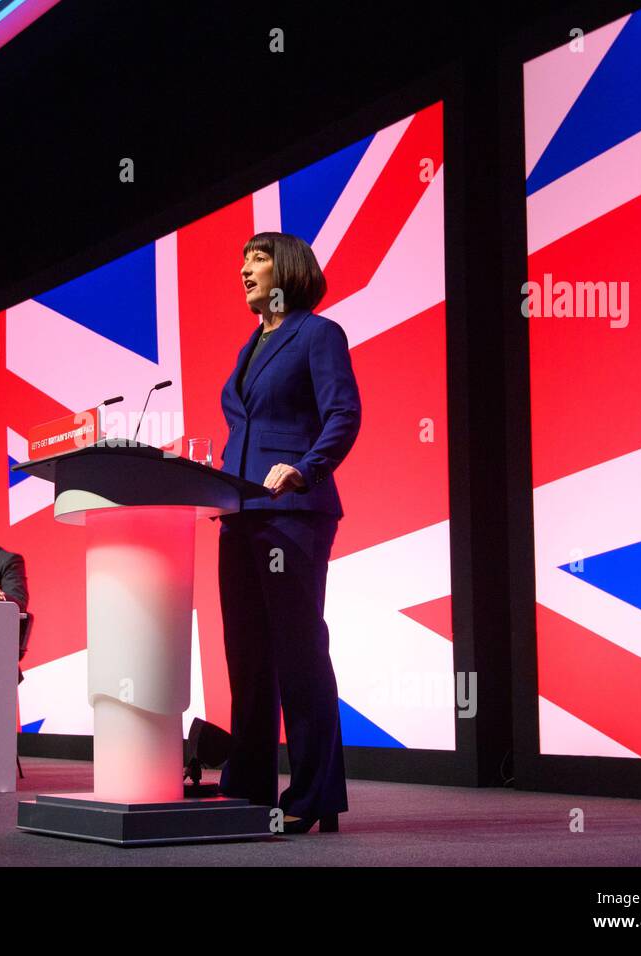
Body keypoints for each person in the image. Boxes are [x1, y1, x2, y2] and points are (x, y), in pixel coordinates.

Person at [217, 231, 362, 834]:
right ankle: (250, 786)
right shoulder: (251, 345)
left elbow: (343, 413)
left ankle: (314, 793)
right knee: (247, 656)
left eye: (257, 258)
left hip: (292, 516)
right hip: (240, 513)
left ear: (289, 269)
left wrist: (303, 471)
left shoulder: (317, 333)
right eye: (243, 260)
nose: (245, 270)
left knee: (299, 651)